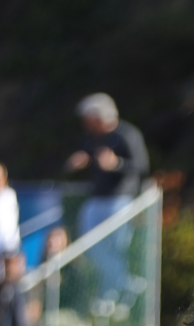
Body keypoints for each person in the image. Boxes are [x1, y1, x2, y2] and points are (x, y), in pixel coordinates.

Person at [66, 93, 149, 300]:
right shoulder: (94, 139)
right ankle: (126, 283)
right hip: (97, 200)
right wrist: (79, 161)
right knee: (90, 245)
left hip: (120, 200)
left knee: (117, 248)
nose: (85, 123)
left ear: (98, 117)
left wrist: (117, 164)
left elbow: (142, 166)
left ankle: (113, 295)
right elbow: (81, 157)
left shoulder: (127, 134)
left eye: (88, 118)